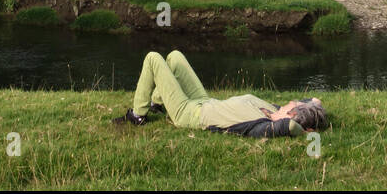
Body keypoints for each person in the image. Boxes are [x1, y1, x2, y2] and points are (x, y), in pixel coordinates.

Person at [114, 50, 326, 137]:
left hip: (190, 114)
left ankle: (137, 116)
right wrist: (314, 108)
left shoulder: (264, 125)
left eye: (293, 104)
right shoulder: (276, 110)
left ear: (293, 115)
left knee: (152, 58)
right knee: (175, 56)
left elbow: (291, 126)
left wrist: (306, 130)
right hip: (203, 101)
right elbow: (314, 99)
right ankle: (158, 104)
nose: (289, 101)